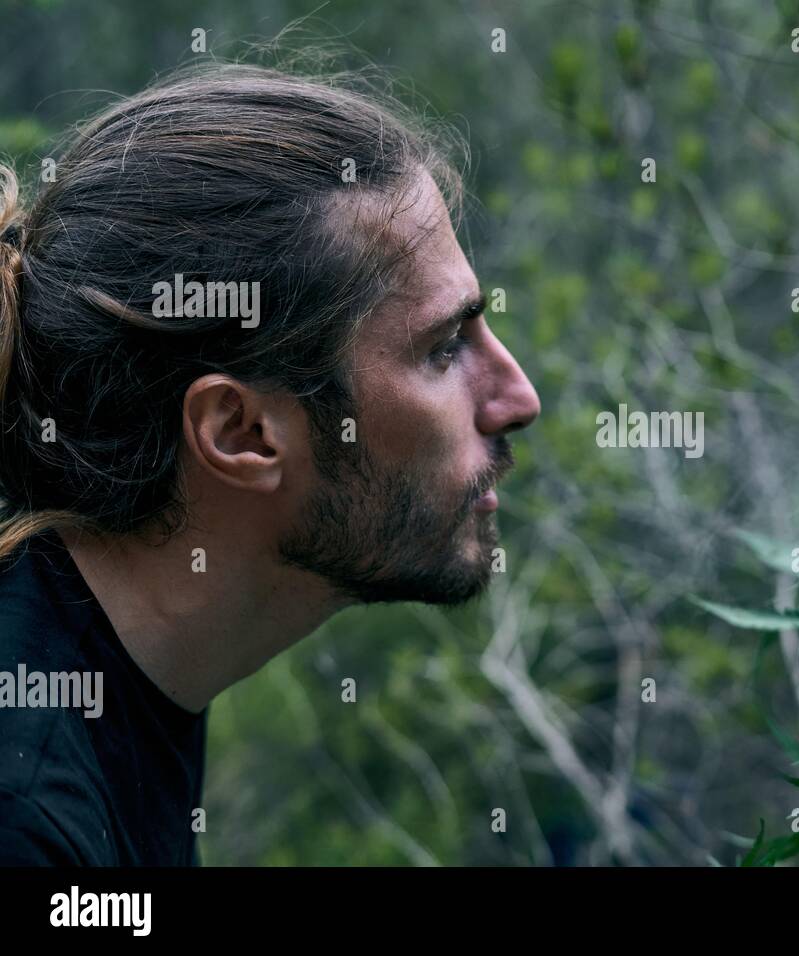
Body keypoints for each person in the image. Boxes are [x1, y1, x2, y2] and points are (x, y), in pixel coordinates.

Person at [0, 63, 541, 865]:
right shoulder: (27, 821)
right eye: (443, 349)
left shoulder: (113, 667)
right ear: (241, 432)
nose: (516, 397)